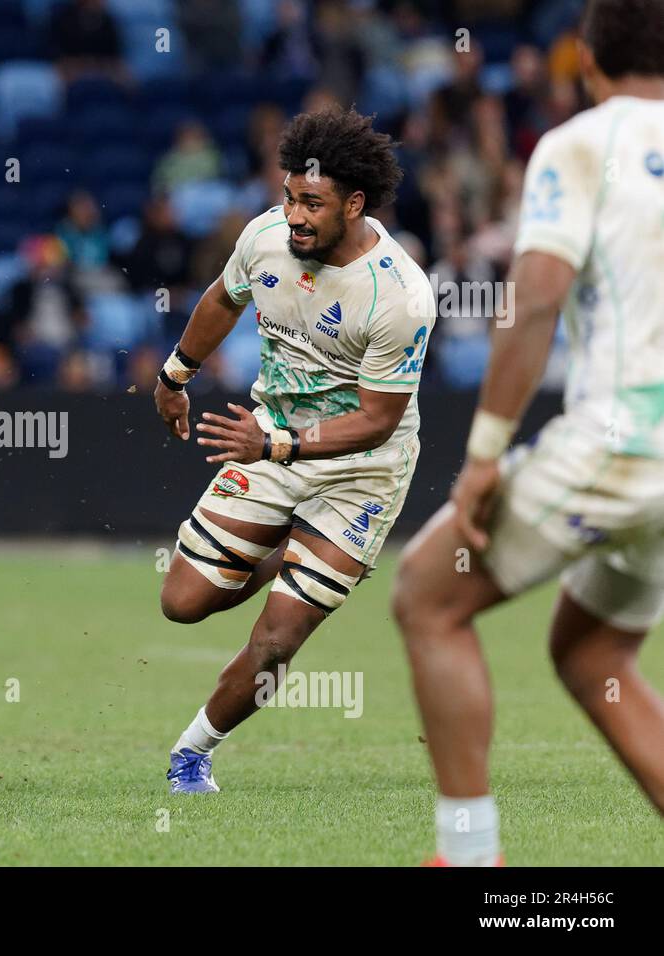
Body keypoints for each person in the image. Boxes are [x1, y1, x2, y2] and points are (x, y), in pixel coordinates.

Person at [393, 0, 664, 866]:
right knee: (594, 652)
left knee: (428, 598)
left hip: (626, 438)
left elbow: (537, 292)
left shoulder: (583, 142)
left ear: (585, 60)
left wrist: (482, 459)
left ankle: (467, 861)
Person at [153, 108, 435, 795]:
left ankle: (193, 753)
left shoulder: (401, 296)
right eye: (288, 196)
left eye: (312, 203)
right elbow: (223, 298)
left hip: (359, 472)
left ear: (355, 204)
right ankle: (294, 551)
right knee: (183, 602)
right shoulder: (265, 238)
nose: (294, 215)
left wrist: (275, 443)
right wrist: (175, 374)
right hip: (273, 437)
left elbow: (375, 421)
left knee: (278, 638)